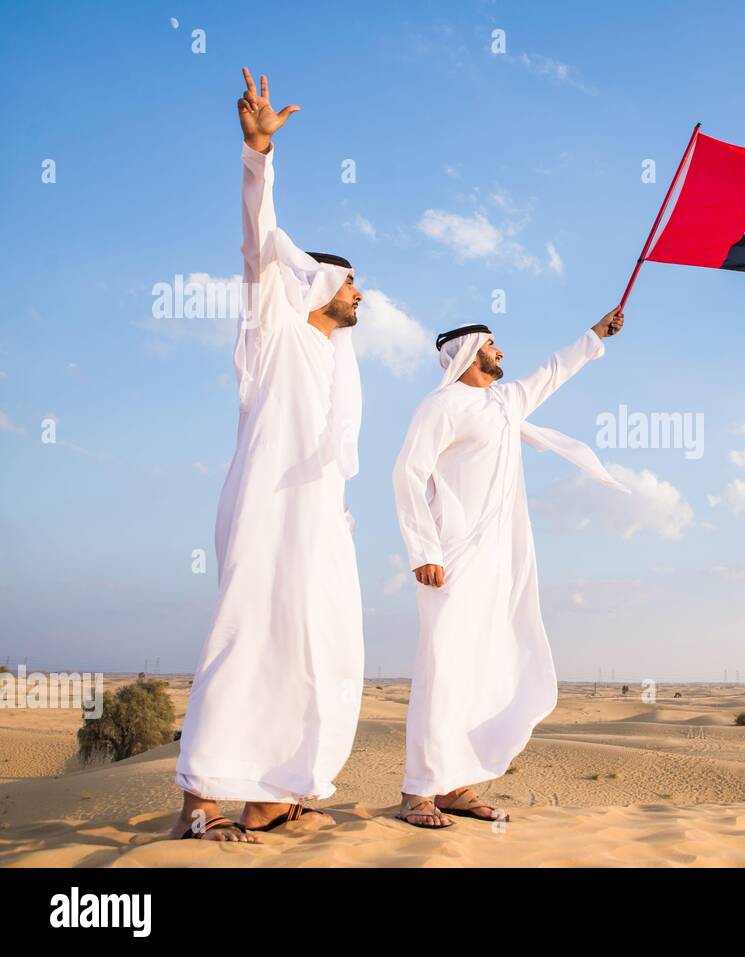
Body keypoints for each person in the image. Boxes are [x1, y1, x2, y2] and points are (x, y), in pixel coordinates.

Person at [169, 68, 365, 842]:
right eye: (352, 286)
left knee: (313, 644)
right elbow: (258, 243)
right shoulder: (273, 330)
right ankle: (197, 800)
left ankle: (276, 787)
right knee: (246, 634)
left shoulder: (335, 367)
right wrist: (259, 156)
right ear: (317, 284)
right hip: (262, 510)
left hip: (318, 523)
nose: (361, 299)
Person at [391, 313, 629, 827]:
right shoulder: (441, 405)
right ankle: (417, 791)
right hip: (449, 558)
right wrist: (423, 551)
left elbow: (552, 371)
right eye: (494, 345)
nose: (502, 353)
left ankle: (456, 786)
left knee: (482, 669)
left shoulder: (504, 403)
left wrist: (594, 336)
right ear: (470, 352)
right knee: (444, 670)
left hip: (499, 562)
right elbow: (407, 473)